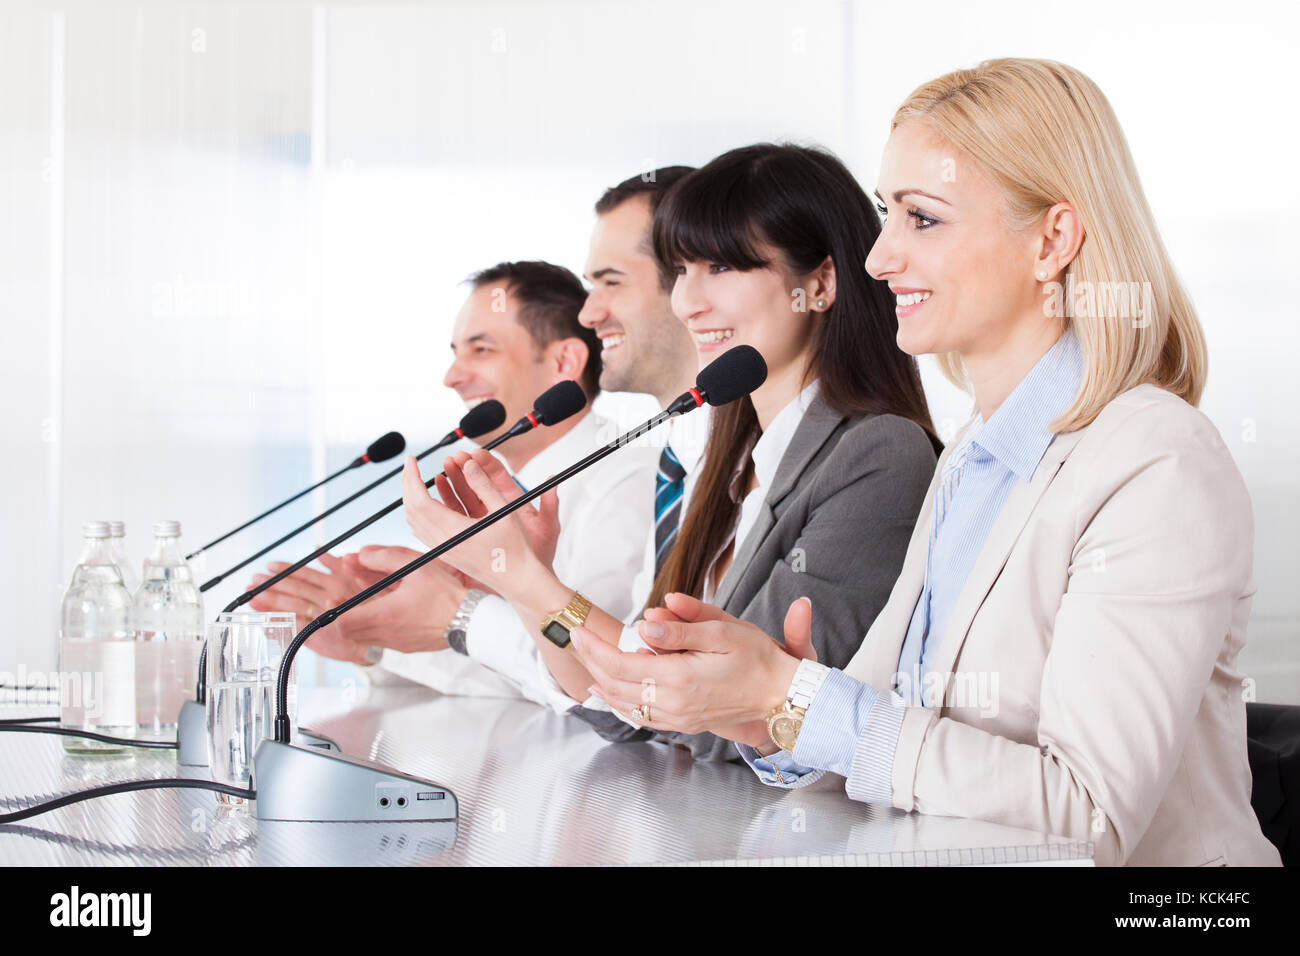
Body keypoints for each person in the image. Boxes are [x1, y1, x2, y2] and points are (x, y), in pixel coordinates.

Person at [567, 59, 1282, 866]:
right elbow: (874, 730)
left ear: (1053, 240)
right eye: (885, 214)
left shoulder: (1157, 464)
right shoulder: (973, 458)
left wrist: (799, 698)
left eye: (923, 219)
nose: (878, 258)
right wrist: (756, 705)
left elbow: (1086, 815)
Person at [403, 143, 942, 761]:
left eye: (722, 268)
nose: (688, 302)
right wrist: (530, 583)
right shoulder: (734, 459)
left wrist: (518, 576)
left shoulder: (878, 455)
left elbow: (715, 721)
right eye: (683, 270)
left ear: (819, 283)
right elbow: (620, 705)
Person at [247, 260, 656, 705]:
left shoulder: (629, 483)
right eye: (455, 352)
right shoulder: (488, 491)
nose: (452, 378)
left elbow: (590, 686)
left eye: (481, 350)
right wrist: (376, 635)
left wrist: (451, 617)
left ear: (564, 360)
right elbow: (512, 673)